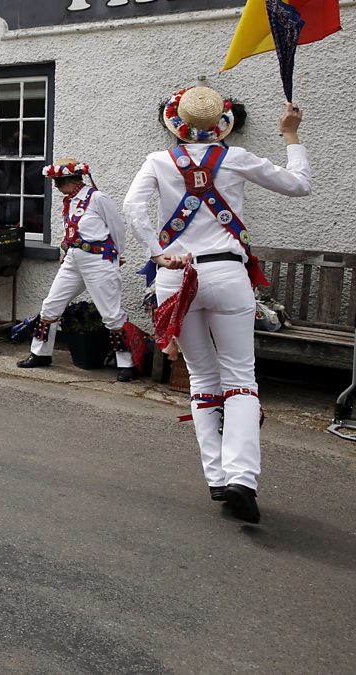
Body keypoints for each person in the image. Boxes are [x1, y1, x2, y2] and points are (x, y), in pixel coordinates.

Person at [123, 85, 311, 524]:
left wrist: (156, 252)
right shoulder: (237, 159)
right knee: (240, 377)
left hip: (177, 275)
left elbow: (134, 210)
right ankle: (242, 477)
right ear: (221, 125)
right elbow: (301, 185)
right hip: (227, 275)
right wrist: (290, 134)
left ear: (176, 124)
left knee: (202, 377)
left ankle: (216, 476)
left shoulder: (157, 161)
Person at [17, 159, 138, 381]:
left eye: (58, 182)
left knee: (110, 313)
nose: (55, 186)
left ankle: (126, 363)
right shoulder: (70, 201)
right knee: (51, 305)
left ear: (69, 180)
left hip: (97, 260)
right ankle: (40, 353)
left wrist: (117, 255)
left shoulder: (97, 198)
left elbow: (117, 227)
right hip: (73, 259)